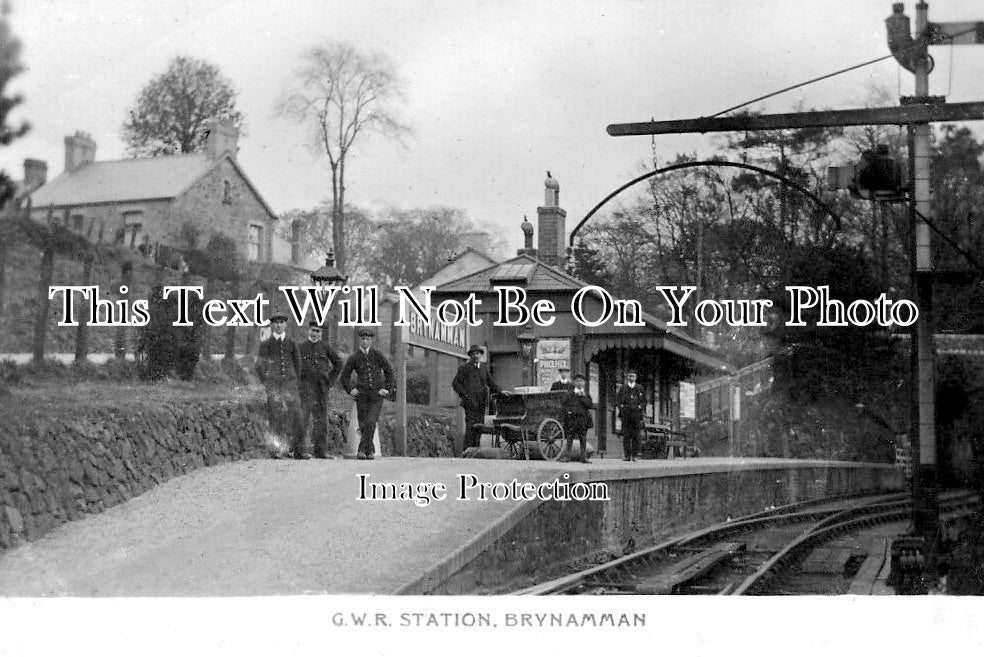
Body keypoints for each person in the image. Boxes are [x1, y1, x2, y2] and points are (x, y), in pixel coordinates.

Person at [339, 328, 394, 460]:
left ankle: (362, 449)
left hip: (376, 395)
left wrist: (386, 388)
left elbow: (389, 371)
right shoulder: (354, 357)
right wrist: (351, 389)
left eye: (367, 339)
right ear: (360, 339)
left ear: (371, 340)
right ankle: (369, 451)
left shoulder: (377, 354)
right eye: (363, 339)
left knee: (370, 421)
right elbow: (344, 377)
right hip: (362, 395)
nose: (365, 341)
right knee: (363, 423)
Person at [256, 311, 304, 458]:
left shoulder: (292, 343)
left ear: (286, 324)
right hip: (273, 385)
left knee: (297, 415)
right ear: (272, 324)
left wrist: (295, 381)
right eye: (276, 322)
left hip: (290, 384)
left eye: (281, 322)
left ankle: (298, 451)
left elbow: (298, 364)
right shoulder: (266, 344)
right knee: (275, 416)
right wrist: (267, 382)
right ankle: (275, 451)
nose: (278, 325)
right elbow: (259, 366)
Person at [297, 322, 342, 459]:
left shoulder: (325, 347)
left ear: (321, 333)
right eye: (313, 330)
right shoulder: (300, 347)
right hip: (305, 389)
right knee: (303, 419)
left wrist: (330, 381)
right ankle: (299, 451)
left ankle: (320, 452)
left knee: (321, 420)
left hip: (321, 389)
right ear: (308, 331)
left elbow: (338, 363)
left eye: (317, 331)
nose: (315, 333)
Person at [452, 345, 502, 451]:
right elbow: (456, 384)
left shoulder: (483, 368)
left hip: (481, 403)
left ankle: (475, 451)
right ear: (470, 356)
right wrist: (465, 395)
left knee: (479, 426)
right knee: (471, 427)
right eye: (473, 354)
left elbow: (491, 383)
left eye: (477, 353)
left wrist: (501, 392)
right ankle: (467, 451)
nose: (476, 356)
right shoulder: (465, 368)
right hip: (470, 403)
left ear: (480, 355)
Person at [560, 372, 594, 463]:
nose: (579, 383)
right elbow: (564, 405)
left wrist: (583, 397)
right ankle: (567, 457)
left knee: (583, 437)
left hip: (583, 419)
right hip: (572, 418)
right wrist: (568, 411)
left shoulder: (586, 394)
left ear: (584, 383)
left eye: (581, 381)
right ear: (574, 382)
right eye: (577, 381)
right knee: (570, 437)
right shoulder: (569, 394)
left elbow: (590, 405)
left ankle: (583, 457)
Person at [616, 369, 645, 462]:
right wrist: (621, 407)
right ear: (627, 377)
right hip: (626, 414)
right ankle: (627, 455)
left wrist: (641, 406)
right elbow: (618, 399)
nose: (631, 378)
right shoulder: (623, 388)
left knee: (636, 435)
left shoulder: (640, 388)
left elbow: (644, 401)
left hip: (636, 414)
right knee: (626, 435)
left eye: (633, 376)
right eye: (630, 376)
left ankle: (635, 455)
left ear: (636, 377)